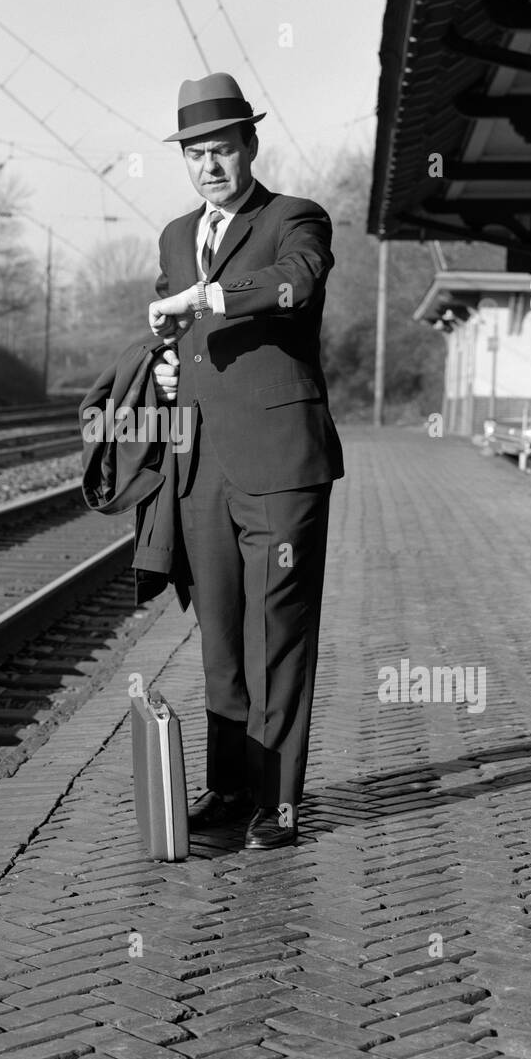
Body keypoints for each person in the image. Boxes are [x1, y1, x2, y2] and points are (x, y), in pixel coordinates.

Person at [148, 72, 344, 850]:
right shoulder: (172, 235)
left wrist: (207, 298)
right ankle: (229, 787)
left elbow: (298, 284)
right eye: (195, 153)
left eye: (221, 150)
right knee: (222, 637)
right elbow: (175, 342)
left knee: (279, 634)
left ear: (249, 146)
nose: (208, 166)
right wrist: (167, 368)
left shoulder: (294, 217)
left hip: (280, 467)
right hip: (201, 467)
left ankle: (280, 802)